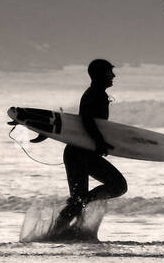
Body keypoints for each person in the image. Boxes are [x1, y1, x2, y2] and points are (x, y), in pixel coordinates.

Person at [53, 59, 127, 233]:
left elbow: (92, 123)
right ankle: (58, 231)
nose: (113, 76)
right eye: (110, 72)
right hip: (79, 154)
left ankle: (59, 231)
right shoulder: (95, 94)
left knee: (80, 200)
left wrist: (100, 142)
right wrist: (99, 142)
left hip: (81, 152)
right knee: (118, 186)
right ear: (101, 74)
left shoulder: (96, 93)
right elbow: (87, 120)